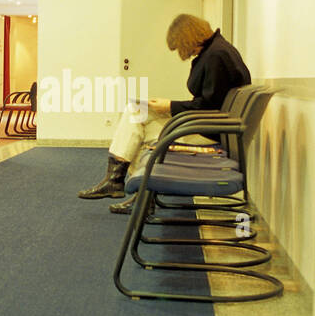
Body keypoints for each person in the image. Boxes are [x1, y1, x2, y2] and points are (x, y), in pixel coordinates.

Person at [77, 14, 251, 213]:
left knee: (138, 126)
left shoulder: (216, 56)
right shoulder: (216, 50)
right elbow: (210, 103)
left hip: (207, 131)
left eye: (179, 46)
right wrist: (167, 106)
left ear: (187, 38)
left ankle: (128, 187)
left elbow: (209, 107)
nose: (181, 53)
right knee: (136, 111)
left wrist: (169, 106)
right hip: (205, 124)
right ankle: (122, 184)